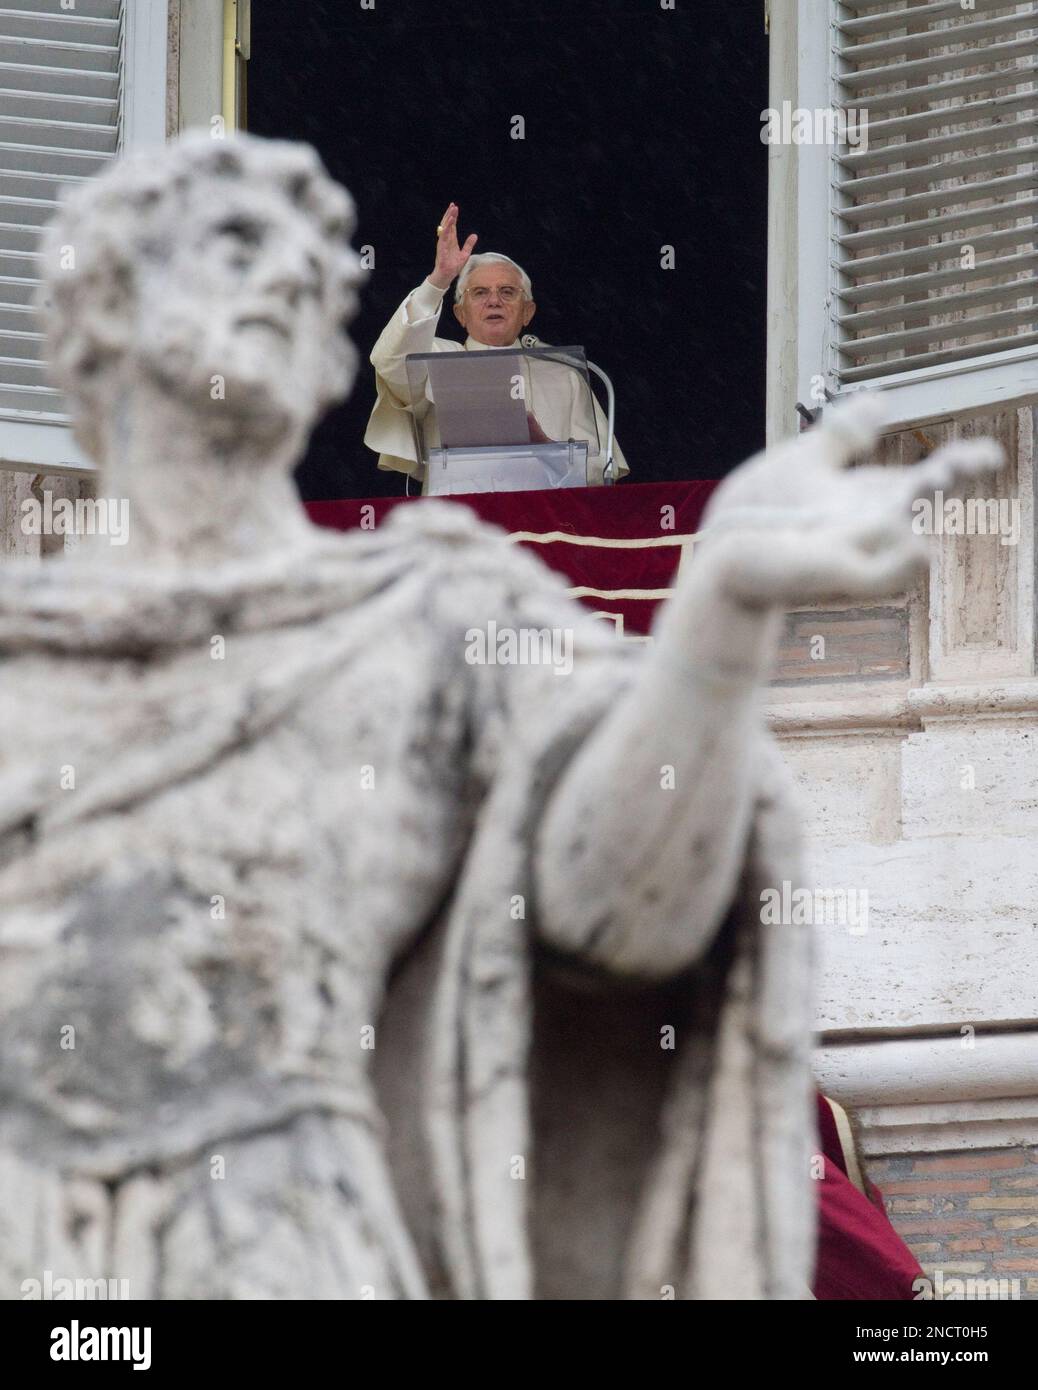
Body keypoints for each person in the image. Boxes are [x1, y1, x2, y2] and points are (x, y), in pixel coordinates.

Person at [0, 134, 998, 1300]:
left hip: (307, 1241)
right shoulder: (26, 659)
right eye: (218, 265)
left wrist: (719, 617)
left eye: (292, 281)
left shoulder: (442, 611)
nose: (265, 294)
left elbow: (612, 922)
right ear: (94, 326)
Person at [364, 203, 629, 490]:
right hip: (456, 527)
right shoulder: (437, 362)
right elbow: (389, 361)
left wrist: (548, 449)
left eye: (507, 292)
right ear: (460, 314)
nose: (494, 301)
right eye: (479, 293)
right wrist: (438, 281)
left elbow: (603, 471)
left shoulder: (564, 378)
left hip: (543, 529)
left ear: (527, 312)